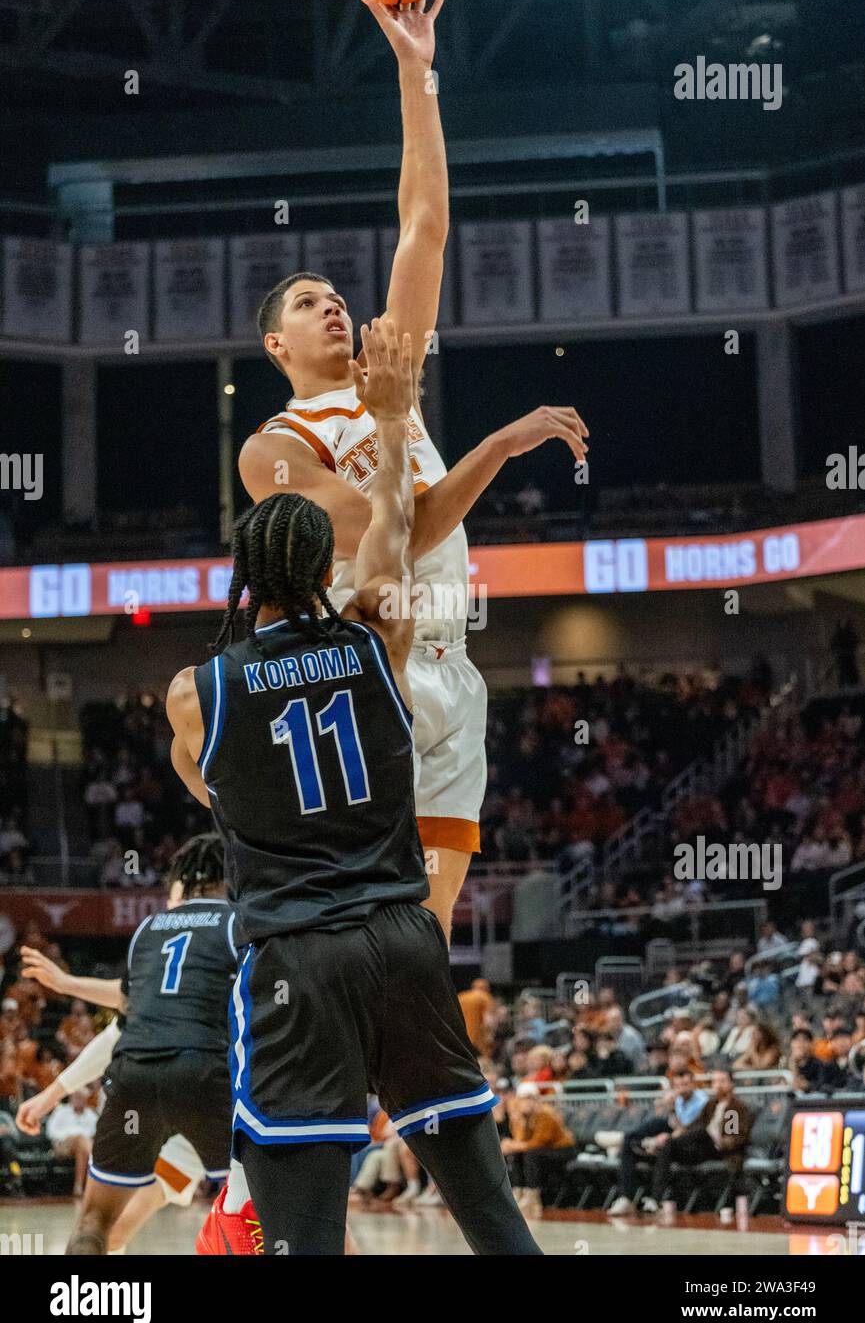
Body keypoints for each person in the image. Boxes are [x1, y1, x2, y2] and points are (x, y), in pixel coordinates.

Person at [167, 319, 541, 1256]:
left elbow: (209, 787)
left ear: (244, 574)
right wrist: (399, 421)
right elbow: (393, 533)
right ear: (322, 570)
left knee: (305, 1237)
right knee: (493, 1218)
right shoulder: (379, 636)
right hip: (405, 944)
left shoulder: (200, 691)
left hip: (301, 959)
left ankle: (241, 1210)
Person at [238, 0, 588, 947]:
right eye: (311, 303)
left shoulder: (389, 368)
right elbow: (399, 537)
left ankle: (400, 1100)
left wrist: (414, 69)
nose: (336, 307)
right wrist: (501, 444)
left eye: (337, 295)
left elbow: (424, 223)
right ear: (277, 342)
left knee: (424, 949)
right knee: (367, 939)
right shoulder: (273, 444)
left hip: (452, 667)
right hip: (370, 667)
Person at [20, 833, 237, 1255]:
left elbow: (122, 1018)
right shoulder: (237, 925)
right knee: (274, 1214)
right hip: (211, 1087)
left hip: (141, 1081)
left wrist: (67, 984)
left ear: (182, 884)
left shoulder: (149, 933)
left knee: (101, 1224)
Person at [644, 1070, 754, 1211]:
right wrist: (672, 1134)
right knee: (669, 1145)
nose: (718, 1085)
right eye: (715, 1081)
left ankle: (655, 1144)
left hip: (721, 1151)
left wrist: (720, 1140)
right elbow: (693, 1126)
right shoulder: (710, 1105)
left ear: (731, 1084)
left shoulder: (735, 1108)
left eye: (722, 1081)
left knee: (703, 1132)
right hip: (703, 1148)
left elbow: (734, 1138)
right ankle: (655, 1198)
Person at [609, 1069, 709, 1216]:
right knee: (630, 1139)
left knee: (666, 1142)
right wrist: (666, 1106)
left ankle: (655, 1199)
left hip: (691, 1143)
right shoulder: (678, 1099)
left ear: (693, 1084)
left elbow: (692, 1131)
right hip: (674, 1134)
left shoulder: (703, 1101)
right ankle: (626, 1197)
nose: (681, 1088)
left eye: (685, 1084)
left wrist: (668, 1136)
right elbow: (671, 1123)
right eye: (678, 1085)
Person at [500, 1084, 575, 1217]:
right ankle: (518, 1191)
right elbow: (521, 1139)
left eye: (529, 1099)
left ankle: (532, 1195)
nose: (525, 1103)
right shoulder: (524, 1117)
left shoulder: (545, 1114)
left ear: (536, 1100)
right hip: (543, 1151)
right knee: (516, 1154)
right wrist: (518, 1123)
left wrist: (512, 1145)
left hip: (562, 1150)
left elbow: (537, 1143)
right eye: (523, 1099)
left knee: (530, 1154)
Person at [45, 1090, 98, 1198]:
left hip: (82, 1146)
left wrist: (79, 1138)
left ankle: (78, 1186)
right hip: (63, 1144)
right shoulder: (61, 1111)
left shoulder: (91, 1115)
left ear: (85, 1099)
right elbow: (50, 1131)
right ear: (70, 1098)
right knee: (82, 1142)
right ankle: (95, 1186)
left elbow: (97, 1132)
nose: (77, 1100)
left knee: (81, 1150)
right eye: (75, 1097)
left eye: (80, 1097)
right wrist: (68, 1137)